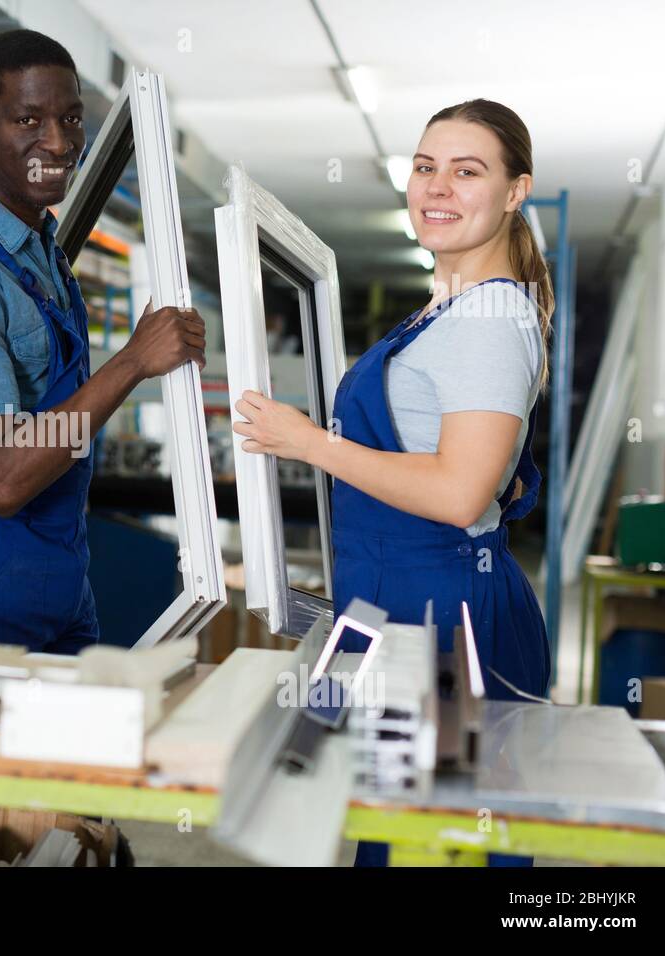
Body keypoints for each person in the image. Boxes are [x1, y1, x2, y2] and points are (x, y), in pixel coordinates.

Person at [232, 99, 552, 866]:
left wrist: (308, 442)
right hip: (406, 606)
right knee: (399, 828)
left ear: (515, 191)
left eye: (467, 171)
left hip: (447, 622)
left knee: (438, 844)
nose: (437, 187)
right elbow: (490, 479)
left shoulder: (485, 320)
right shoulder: (449, 312)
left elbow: (455, 495)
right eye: (424, 166)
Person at [0, 29, 206, 654]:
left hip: (54, 561)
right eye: (28, 119)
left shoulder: (42, 258)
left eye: (71, 119)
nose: (58, 142)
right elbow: (1, 478)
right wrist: (135, 361)